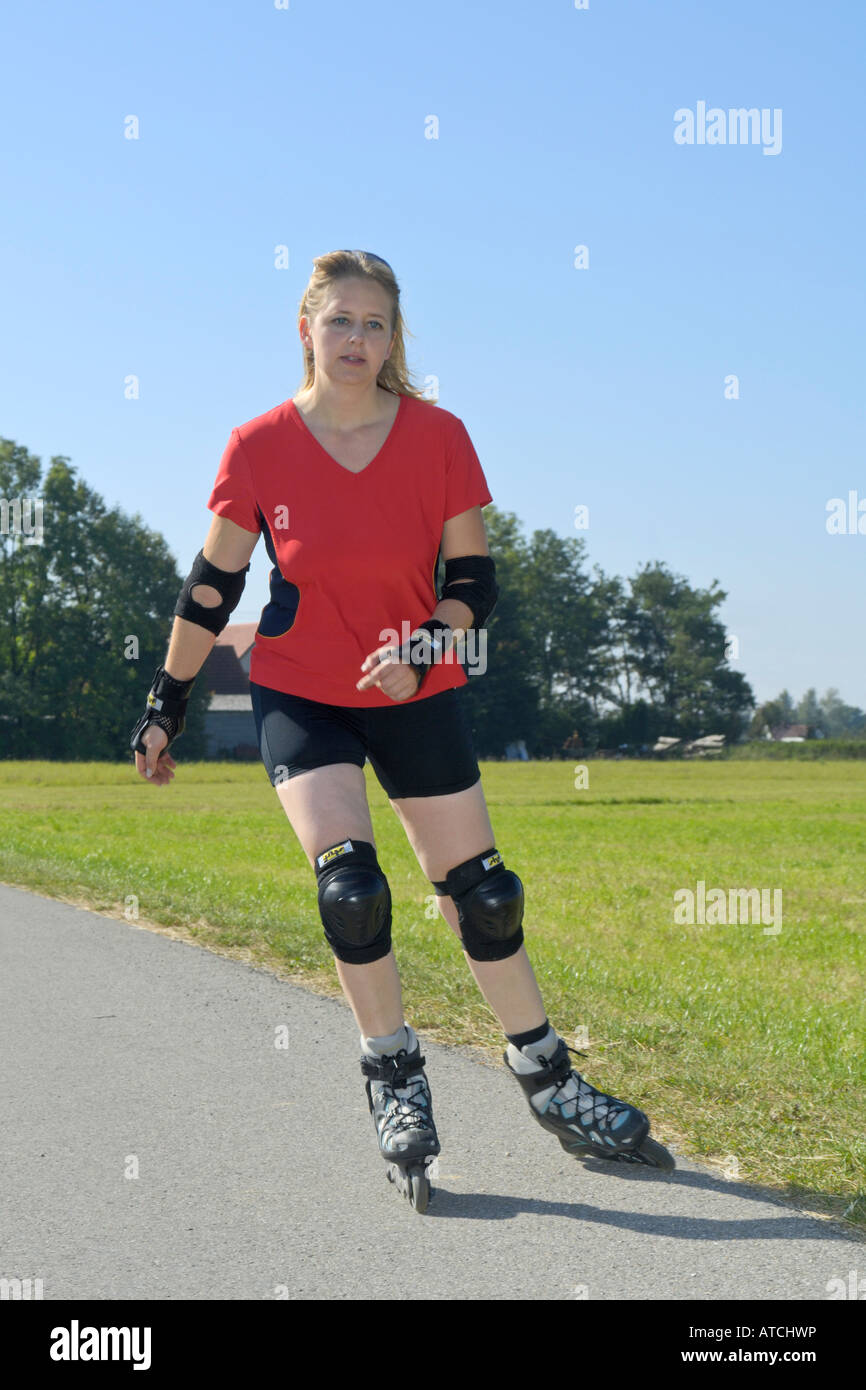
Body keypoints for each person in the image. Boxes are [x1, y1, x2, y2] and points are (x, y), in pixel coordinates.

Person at [129, 249, 655, 1199]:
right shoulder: (258, 446)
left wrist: (422, 650)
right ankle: (393, 1076)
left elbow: (473, 585)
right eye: (341, 322)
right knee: (352, 888)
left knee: (484, 895)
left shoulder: (439, 435)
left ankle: (545, 1073)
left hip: (418, 686)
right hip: (301, 690)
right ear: (307, 330)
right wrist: (164, 705)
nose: (358, 341)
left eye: (376, 325)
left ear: (394, 336)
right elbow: (212, 588)